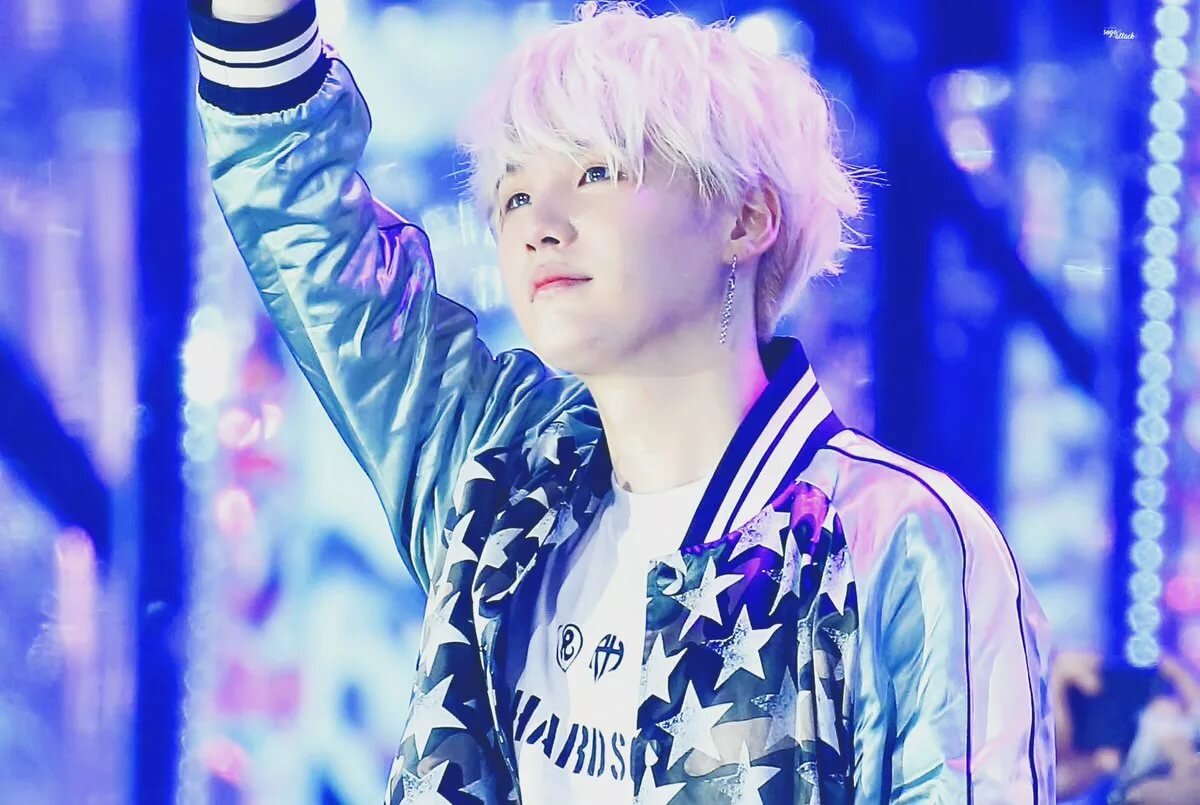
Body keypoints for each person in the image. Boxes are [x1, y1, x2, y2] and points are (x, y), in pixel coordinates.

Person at [190, 0, 1055, 801]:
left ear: (746, 219)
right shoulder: (496, 488)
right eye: (514, 194)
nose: (537, 224)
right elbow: (309, 235)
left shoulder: (898, 542)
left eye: (596, 172)